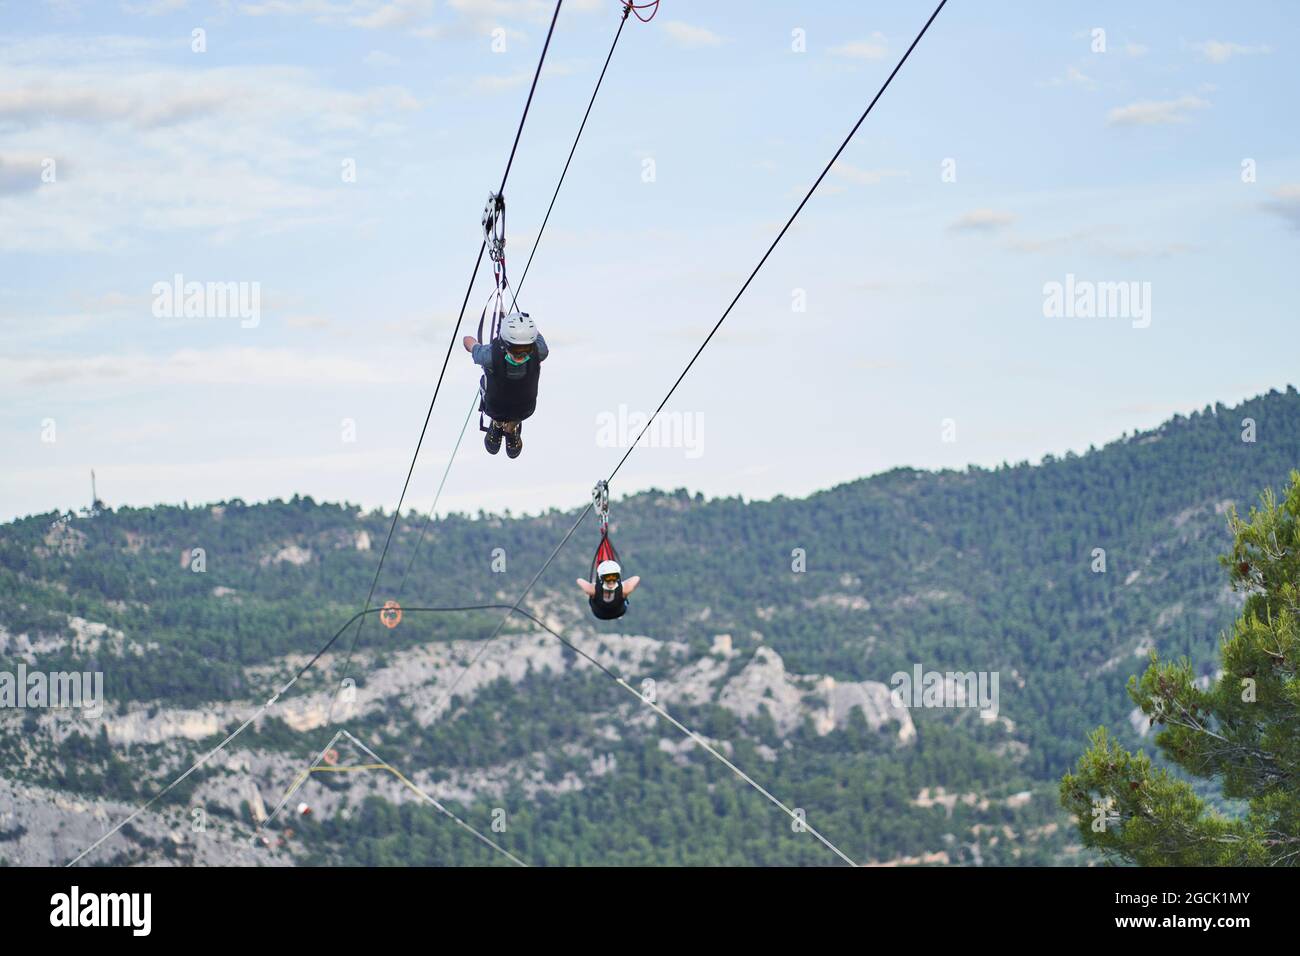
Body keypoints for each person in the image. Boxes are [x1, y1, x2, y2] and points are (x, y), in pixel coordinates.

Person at [463, 311, 548, 458]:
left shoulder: (489, 355)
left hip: (495, 409)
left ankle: (497, 424)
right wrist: (526, 328)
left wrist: (473, 343)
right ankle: (510, 429)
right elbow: (537, 336)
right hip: (525, 409)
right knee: (519, 400)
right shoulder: (540, 351)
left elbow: (468, 341)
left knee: (486, 382)